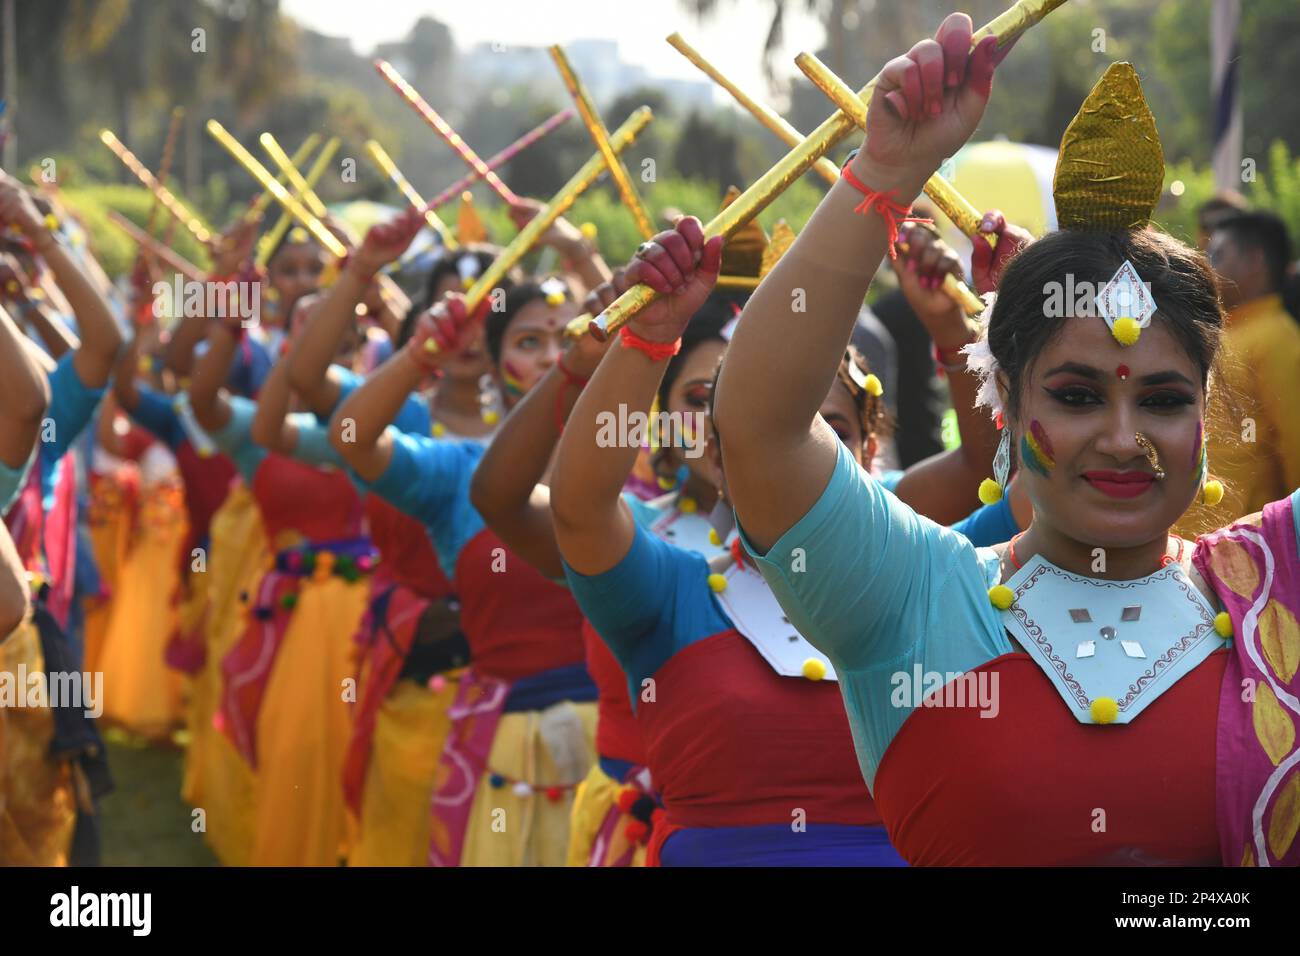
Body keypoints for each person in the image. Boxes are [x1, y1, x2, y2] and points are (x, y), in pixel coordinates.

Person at [715, 14, 1300, 867]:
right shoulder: (912, 598)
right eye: (1076, 395)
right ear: (1007, 406)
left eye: (1165, 400)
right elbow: (760, 428)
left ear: (1203, 418)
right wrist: (885, 173)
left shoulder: (1272, 587)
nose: (1124, 437)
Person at [1194, 210, 1300, 527]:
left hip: (1247, 541)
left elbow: (1295, 447)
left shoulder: (1279, 338)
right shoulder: (1226, 330)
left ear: (1255, 261)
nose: (1207, 265)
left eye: (1218, 255)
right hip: (1197, 535)